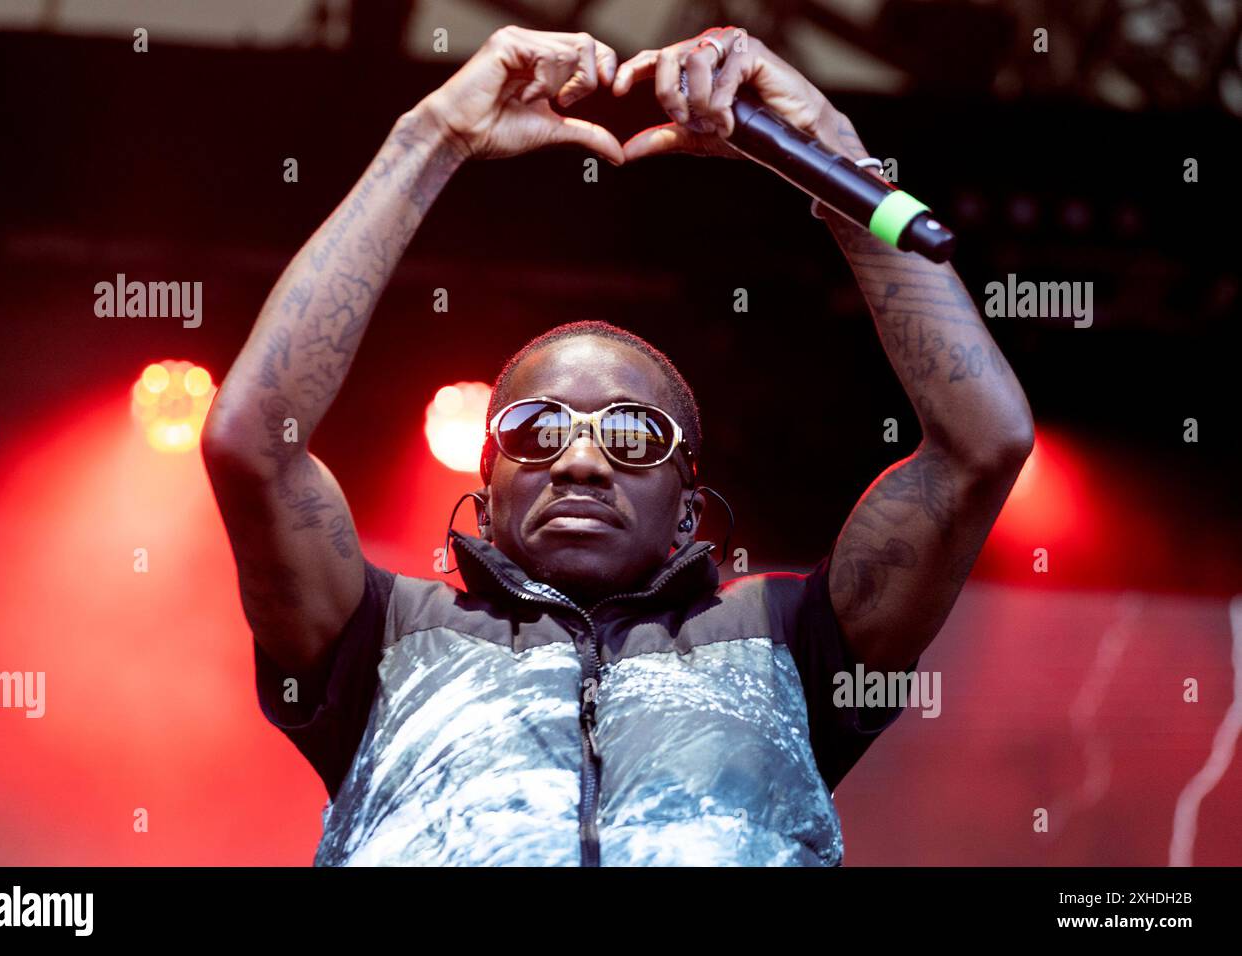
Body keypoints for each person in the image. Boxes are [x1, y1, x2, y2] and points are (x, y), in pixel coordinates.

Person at [202, 25, 1034, 866]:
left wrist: (829, 152)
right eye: (538, 429)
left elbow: (982, 445)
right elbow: (252, 445)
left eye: (634, 435)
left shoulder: (793, 638)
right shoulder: (379, 637)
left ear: (688, 508)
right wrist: (433, 136)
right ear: (484, 494)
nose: (581, 460)